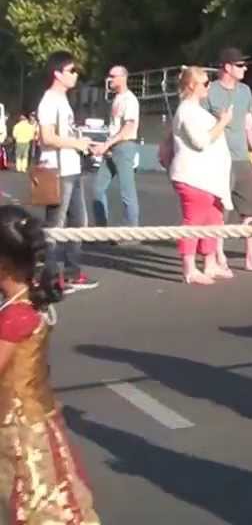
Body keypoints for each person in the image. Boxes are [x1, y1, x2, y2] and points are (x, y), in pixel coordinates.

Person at [0, 205, 101, 524]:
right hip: (34, 419)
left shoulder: (16, 317)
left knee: (40, 507)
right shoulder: (29, 301)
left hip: (22, 430)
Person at [204, 48, 252, 271]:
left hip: (242, 158)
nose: (245, 68)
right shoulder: (210, 91)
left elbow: (249, 124)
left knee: (251, 209)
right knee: (220, 210)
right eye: (240, 65)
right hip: (218, 158)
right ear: (227, 67)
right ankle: (218, 255)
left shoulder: (245, 91)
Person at [36, 51, 100, 293]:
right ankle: (51, 276)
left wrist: (82, 142)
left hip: (72, 168)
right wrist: (77, 143)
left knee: (78, 222)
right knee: (56, 224)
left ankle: (73, 272)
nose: (75, 75)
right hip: (58, 170)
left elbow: (65, 134)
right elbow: (47, 137)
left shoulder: (63, 100)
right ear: (57, 73)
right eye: (71, 71)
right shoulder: (49, 101)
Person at [168, 66, 235, 285]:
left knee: (213, 218)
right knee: (194, 221)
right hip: (192, 177)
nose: (209, 86)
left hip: (209, 180)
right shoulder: (186, 110)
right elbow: (200, 142)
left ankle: (210, 263)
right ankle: (189, 268)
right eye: (205, 83)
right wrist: (223, 122)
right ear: (191, 86)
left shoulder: (197, 110)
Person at [92, 64, 141, 229]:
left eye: (113, 76)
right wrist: (106, 145)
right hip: (113, 148)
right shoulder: (117, 99)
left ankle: (131, 231)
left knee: (127, 192)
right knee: (98, 189)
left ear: (123, 78)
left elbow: (128, 128)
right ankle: (102, 230)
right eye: (109, 76)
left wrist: (107, 144)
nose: (109, 79)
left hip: (124, 147)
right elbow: (114, 128)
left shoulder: (129, 100)